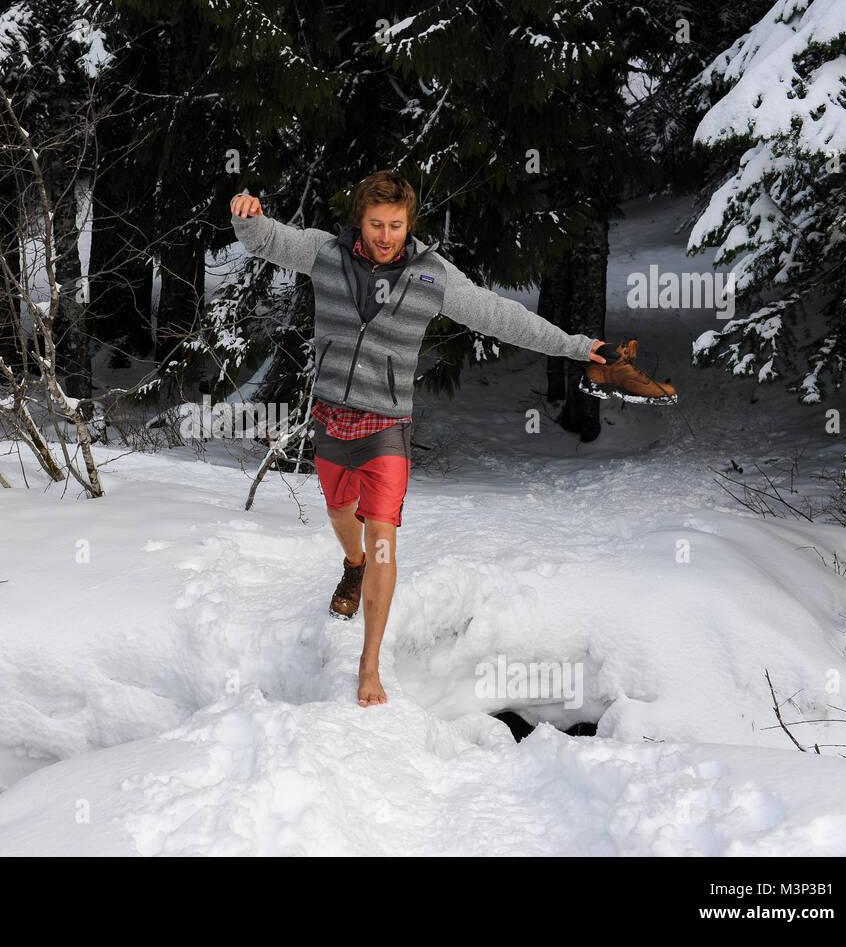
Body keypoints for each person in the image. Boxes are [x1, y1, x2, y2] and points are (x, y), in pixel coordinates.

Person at [230, 170, 667, 708]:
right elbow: (266, 239)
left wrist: (579, 347)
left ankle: (368, 667)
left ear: (409, 223)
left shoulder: (431, 276)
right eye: (375, 224)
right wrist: (244, 211)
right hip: (332, 420)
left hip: (387, 428)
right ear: (359, 222)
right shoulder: (325, 254)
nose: (386, 236)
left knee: (383, 535)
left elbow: (501, 315)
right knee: (343, 515)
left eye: (396, 225)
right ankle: (352, 566)